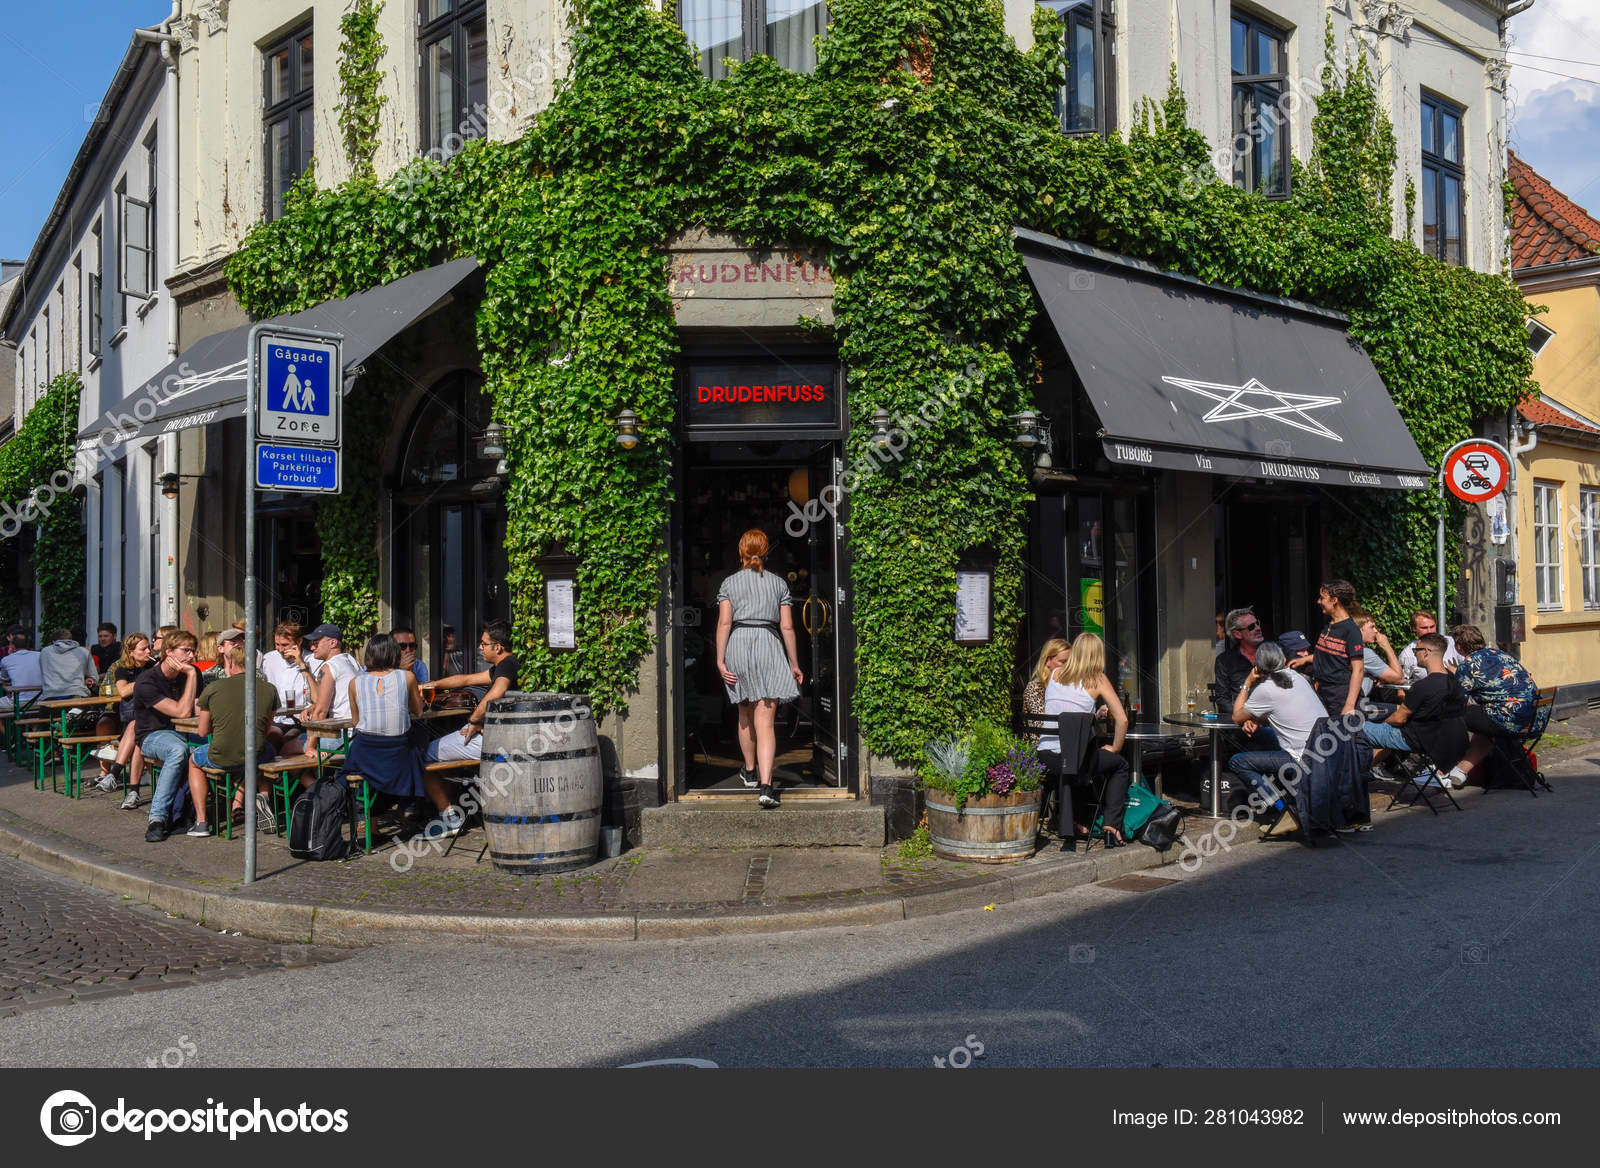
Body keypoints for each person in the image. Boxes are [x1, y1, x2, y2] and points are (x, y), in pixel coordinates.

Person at [713, 530, 804, 809]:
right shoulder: (778, 584)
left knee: (744, 712)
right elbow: (787, 627)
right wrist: (794, 663)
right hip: (768, 644)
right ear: (766, 553)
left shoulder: (730, 583)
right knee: (766, 721)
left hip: (738, 645)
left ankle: (749, 772)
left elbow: (724, 624)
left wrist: (720, 660)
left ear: (741, 552)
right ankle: (766, 787)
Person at [419, 620, 520, 838]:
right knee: (442, 754)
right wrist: (434, 684)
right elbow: (466, 679)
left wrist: (474, 720)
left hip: (496, 743)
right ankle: (454, 807)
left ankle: (448, 816)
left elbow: (496, 692)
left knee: (423, 754)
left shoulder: (507, 665)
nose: (480, 648)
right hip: (503, 739)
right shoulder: (502, 666)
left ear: (498, 647)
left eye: (484, 644)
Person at [1033, 632, 1131, 847]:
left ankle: (1077, 820)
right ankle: (1111, 826)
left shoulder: (1055, 673)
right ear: (1098, 656)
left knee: (1078, 761)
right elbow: (1122, 720)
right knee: (1119, 765)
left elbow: (1065, 710)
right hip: (1074, 760)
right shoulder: (1098, 679)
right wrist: (1115, 747)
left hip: (1046, 756)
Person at [1230, 640, 1327, 836]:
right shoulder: (1298, 677)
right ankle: (1287, 801)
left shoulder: (1265, 689)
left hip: (1301, 759)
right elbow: (1286, 711)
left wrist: (1248, 682)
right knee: (1263, 736)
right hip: (1325, 751)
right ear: (1283, 659)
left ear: (1258, 667)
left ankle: (1282, 807)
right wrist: (1257, 719)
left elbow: (1236, 716)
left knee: (1237, 762)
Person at [182, 642, 280, 837]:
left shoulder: (214, 688)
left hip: (222, 756)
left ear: (231, 663)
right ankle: (263, 796)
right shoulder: (269, 689)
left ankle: (201, 822)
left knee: (193, 760)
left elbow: (202, 732)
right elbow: (266, 729)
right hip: (256, 753)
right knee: (266, 752)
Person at [1360, 633, 1470, 788]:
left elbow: (1399, 719)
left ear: (1425, 652)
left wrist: (1382, 724)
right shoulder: (1455, 682)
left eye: (1416, 651)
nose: (1415, 654)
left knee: (1354, 728)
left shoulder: (1423, 686)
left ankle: (1350, 778)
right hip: (1449, 741)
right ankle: (1360, 774)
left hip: (1417, 740)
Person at [341, 633, 426, 819]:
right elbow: (418, 712)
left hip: (366, 753)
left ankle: (363, 813)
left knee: (356, 759)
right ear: (395, 654)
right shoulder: (408, 677)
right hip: (397, 752)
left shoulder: (355, 683)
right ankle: (409, 803)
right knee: (416, 746)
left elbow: (356, 722)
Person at [134, 629, 200, 842]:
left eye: (193, 651)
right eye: (186, 651)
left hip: (185, 733)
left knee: (209, 750)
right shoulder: (147, 681)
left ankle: (200, 815)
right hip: (152, 736)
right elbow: (182, 711)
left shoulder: (193, 673)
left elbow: (197, 708)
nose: (191, 656)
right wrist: (190, 674)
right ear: (169, 652)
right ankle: (158, 818)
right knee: (178, 750)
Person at [100, 633, 151, 808]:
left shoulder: (154, 665)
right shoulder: (123, 669)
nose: (148, 651)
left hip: (154, 719)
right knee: (137, 739)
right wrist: (147, 678)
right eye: (143, 649)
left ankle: (114, 774)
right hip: (136, 721)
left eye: (149, 647)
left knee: (135, 727)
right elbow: (122, 691)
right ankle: (133, 792)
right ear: (130, 652)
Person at [302, 624, 361, 756]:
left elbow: (321, 711)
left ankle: (311, 777)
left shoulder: (329, 667)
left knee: (290, 746)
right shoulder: (351, 660)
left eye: (316, 644)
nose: (312, 648)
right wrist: (313, 707)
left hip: (343, 737)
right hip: (359, 736)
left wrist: (310, 747)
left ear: (333, 643)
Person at [1308, 580, 1364, 718]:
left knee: (1341, 736)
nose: (1318, 602)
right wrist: (1303, 660)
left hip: (1340, 696)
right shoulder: (1328, 625)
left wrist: (1349, 705)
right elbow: (1328, 656)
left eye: (1322, 598)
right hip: (1323, 692)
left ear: (1334, 600)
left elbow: (1359, 669)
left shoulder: (1351, 630)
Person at [261, 620, 311, 754]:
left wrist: (300, 662)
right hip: (277, 718)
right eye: (277, 644)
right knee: (270, 737)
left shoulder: (311, 660)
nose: (280, 649)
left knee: (288, 740)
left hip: (301, 721)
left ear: (298, 642)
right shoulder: (269, 659)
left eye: (285, 645)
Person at [1022, 638, 1071, 745]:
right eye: (1063, 662)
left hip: (1064, 744)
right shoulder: (1035, 688)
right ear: (1047, 661)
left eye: (1070, 662)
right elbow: (1043, 724)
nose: (1068, 667)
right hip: (1040, 748)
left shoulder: (1067, 686)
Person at [1214, 607, 1265, 708]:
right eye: (1251, 627)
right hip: (1242, 719)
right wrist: (1244, 716)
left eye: (1257, 623)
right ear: (1237, 634)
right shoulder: (1224, 661)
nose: (1258, 628)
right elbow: (1222, 699)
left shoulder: (1274, 653)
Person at [1397, 610, 1465, 685]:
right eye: (1424, 628)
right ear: (1414, 628)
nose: (1429, 631)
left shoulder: (1452, 643)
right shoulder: (1407, 653)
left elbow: (1470, 669)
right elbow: (1401, 686)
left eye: (1432, 626)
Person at [1350, 607, 1404, 699]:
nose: (1376, 631)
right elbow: (1399, 679)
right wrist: (1387, 646)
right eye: (1372, 627)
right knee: (1400, 711)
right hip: (1358, 705)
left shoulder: (1347, 648)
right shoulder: (1365, 653)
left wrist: (1378, 675)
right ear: (1359, 630)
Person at [40, 628, 97, 700]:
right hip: (77, 694)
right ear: (71, 640)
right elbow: (94, 676)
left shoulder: (45, 652)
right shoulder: (83, 651)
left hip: (50, 696)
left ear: (54, 641)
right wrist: (89, 679)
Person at [0, 630, 42, 703]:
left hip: (19, 701)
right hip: (40, 698)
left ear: (12, 646)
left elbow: (3, 678)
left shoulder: (6, 660)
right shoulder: (39, 655)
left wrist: (10, 655)